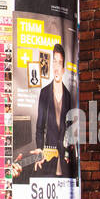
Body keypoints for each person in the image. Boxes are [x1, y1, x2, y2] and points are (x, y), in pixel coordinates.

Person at [34, 43, 75, 176]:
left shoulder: (68, 96)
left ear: (63, 68)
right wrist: (39, 151)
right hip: (48, 157)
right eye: (55, 62)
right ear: (52, 66)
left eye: (60, 63)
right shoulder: (44, 93)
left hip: (65, 159)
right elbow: (39, 128)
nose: (57, 67)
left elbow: (69, 128)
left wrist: (68, 151)